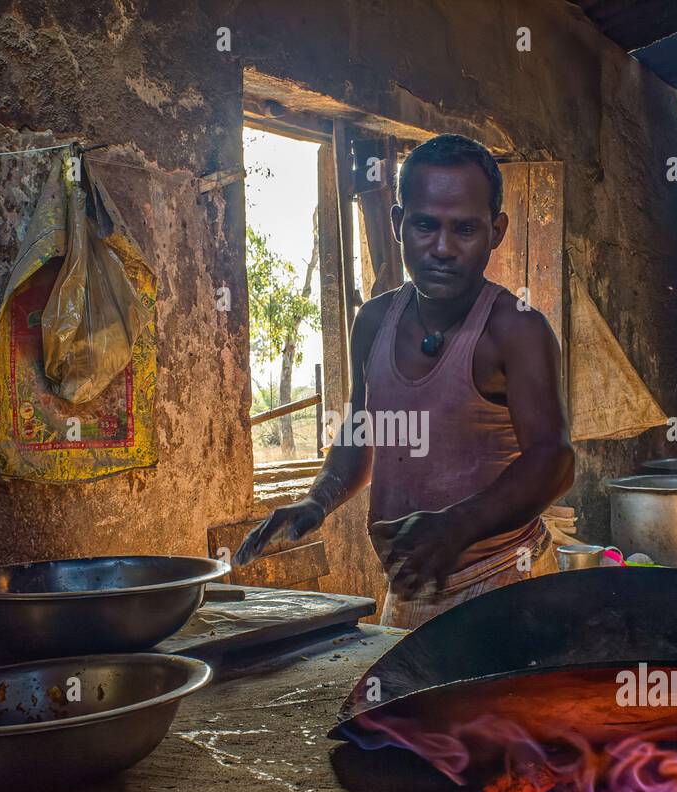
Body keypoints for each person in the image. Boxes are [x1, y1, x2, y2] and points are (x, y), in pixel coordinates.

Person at [234, 134, 573, 629]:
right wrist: (318, 499)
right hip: (412, 589)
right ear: (397, 224)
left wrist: (460, 525)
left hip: (505, 586)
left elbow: (554, 460)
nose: (442, 248)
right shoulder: (373, 321)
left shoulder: (515, 329)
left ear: (496, 232)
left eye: (465, 229)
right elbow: (362, 431)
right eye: (424, 225)